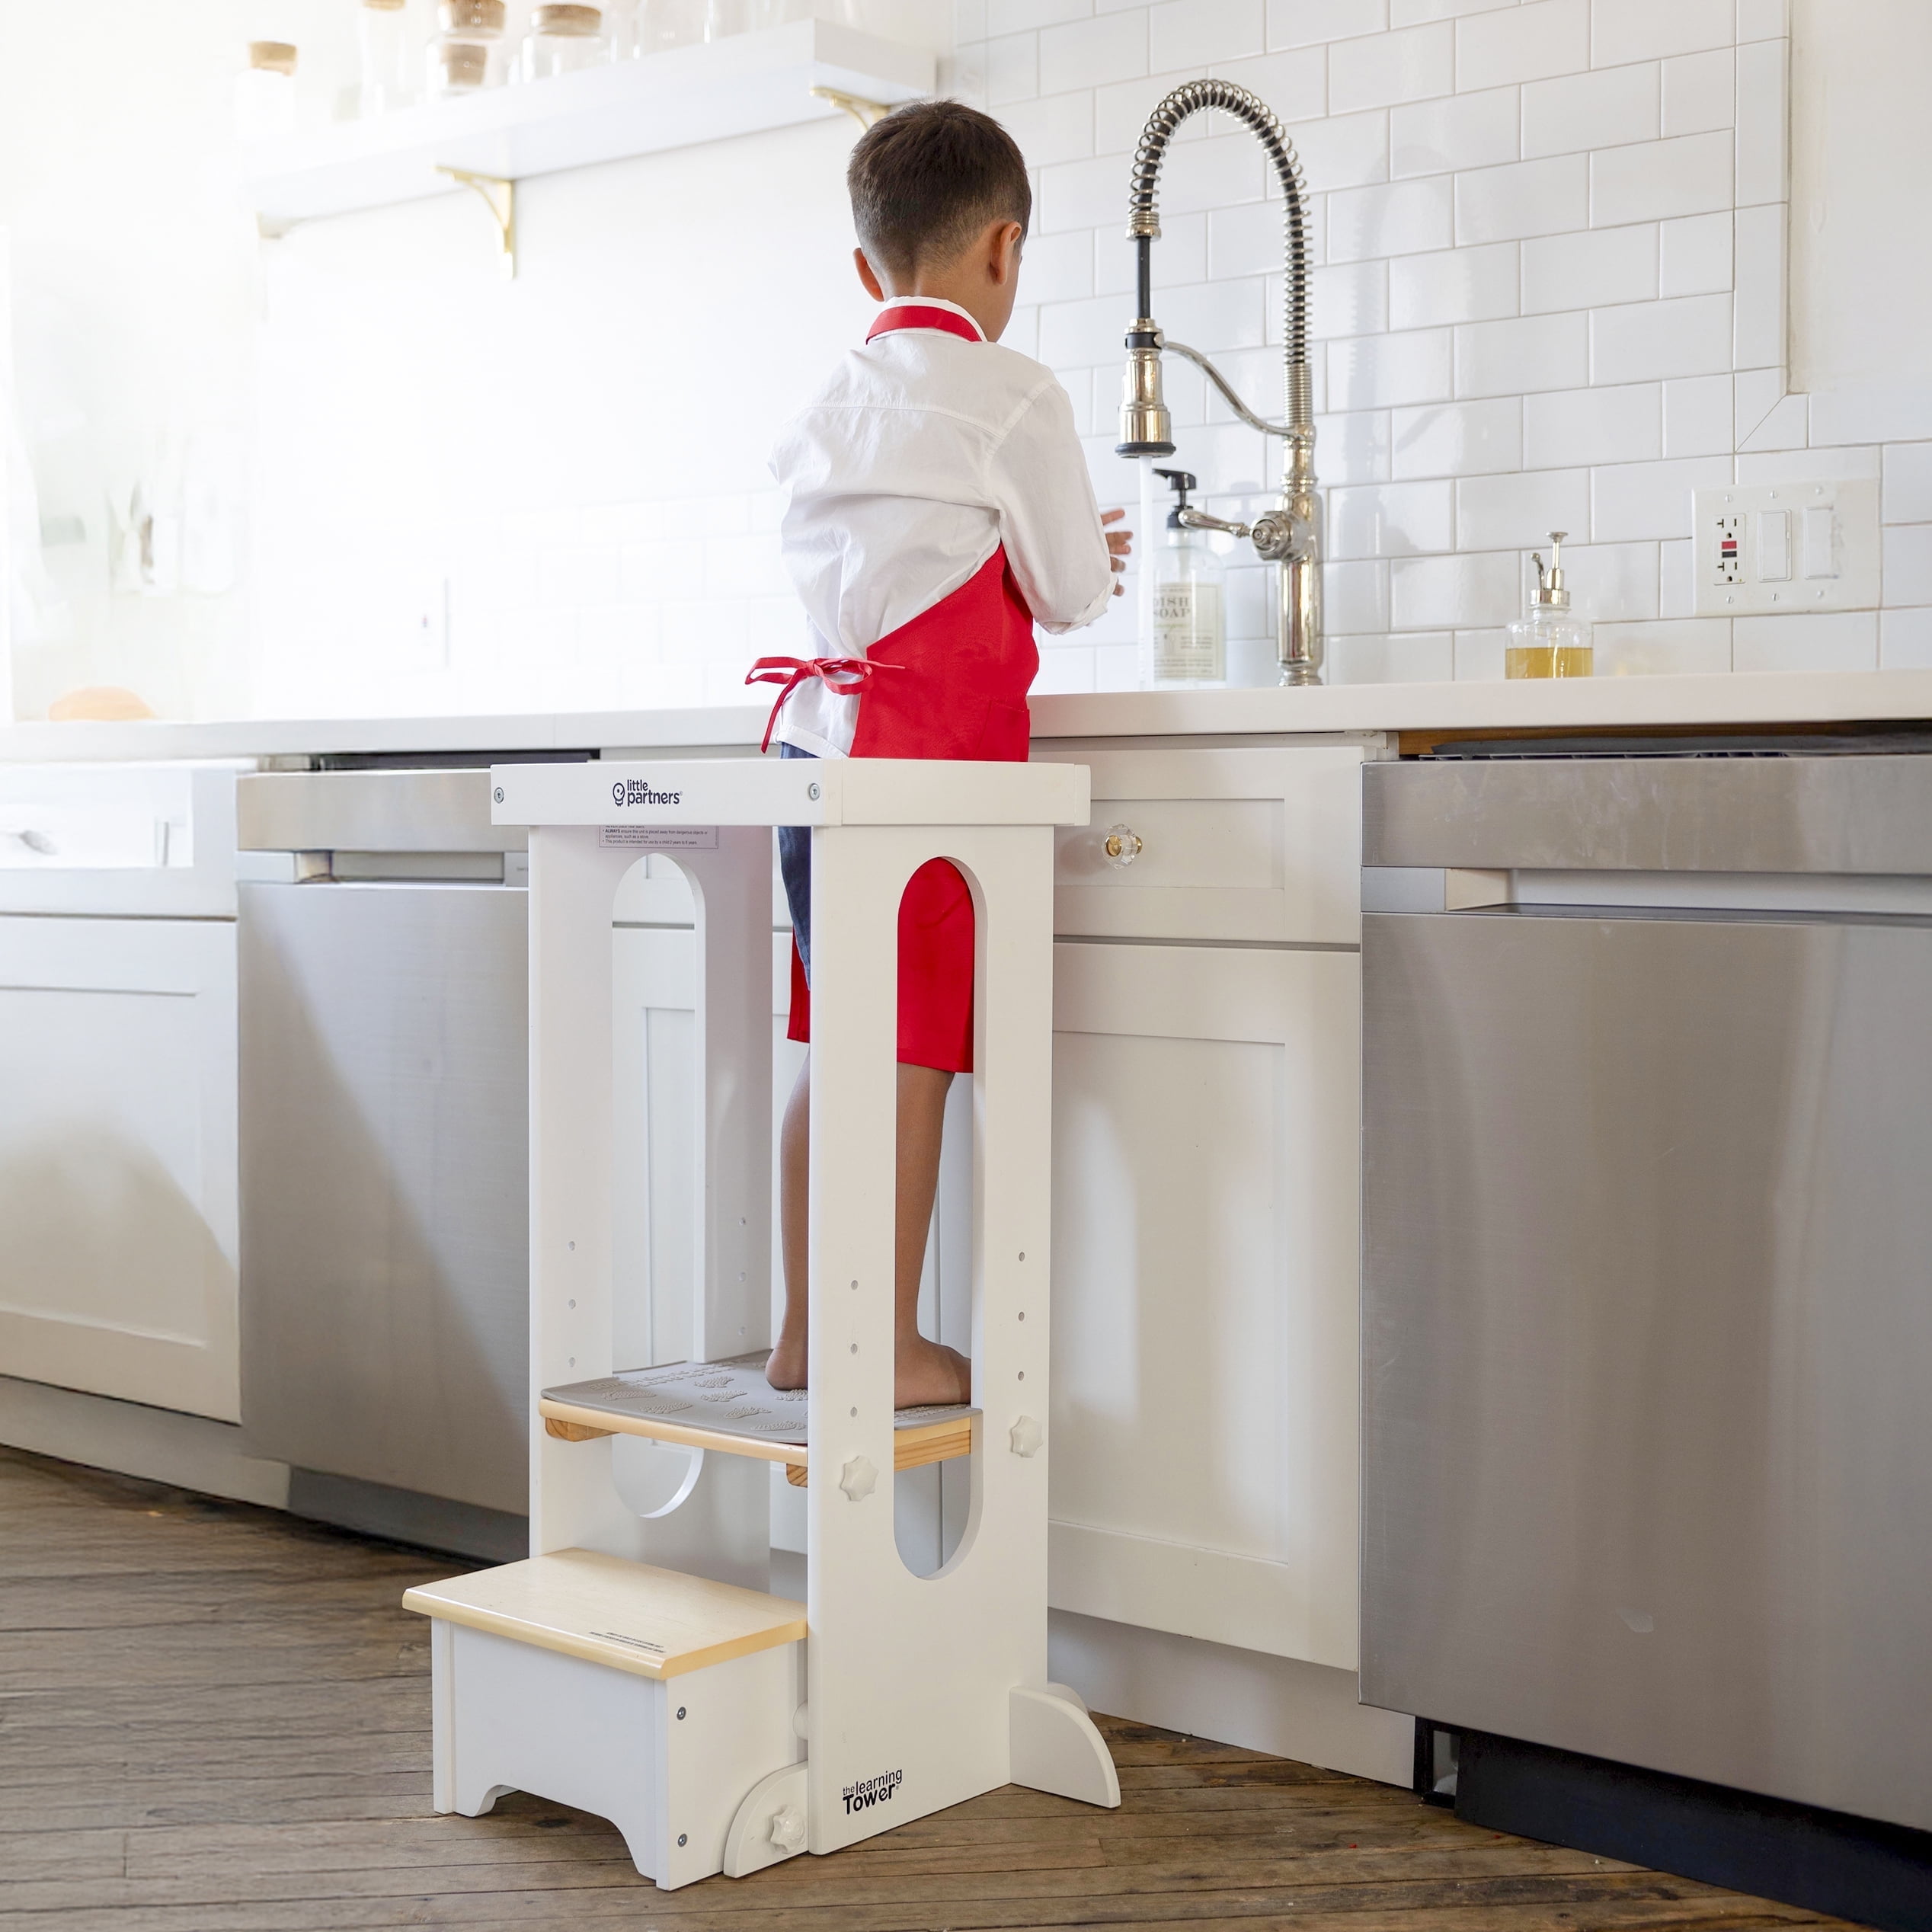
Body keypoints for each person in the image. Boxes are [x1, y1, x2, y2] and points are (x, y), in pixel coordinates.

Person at [752, 99, 1130, 1408]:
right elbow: (1072, 588)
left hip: (814, 764)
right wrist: (1084, 548)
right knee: (908, 1058)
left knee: (830, 1045)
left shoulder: (829, 399)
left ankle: (808, 1330)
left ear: (868, 269)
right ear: (1005, 250)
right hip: (926, 778)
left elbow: (882, 565)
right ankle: (886, 1342)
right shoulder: (1013, 391)